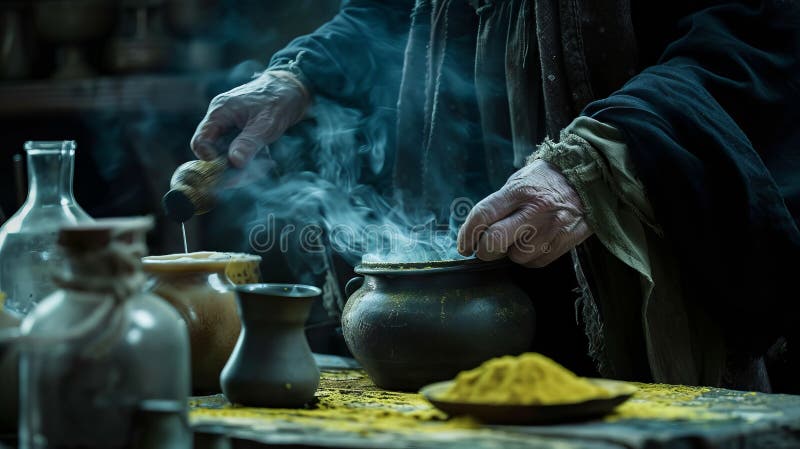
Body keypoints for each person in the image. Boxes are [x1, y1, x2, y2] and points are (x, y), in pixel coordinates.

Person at [190, 0, 800, 392]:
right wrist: (296, 75)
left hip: (620, 248)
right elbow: (385, 14)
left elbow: (753, 40)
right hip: (465, 220)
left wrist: (595, 161)